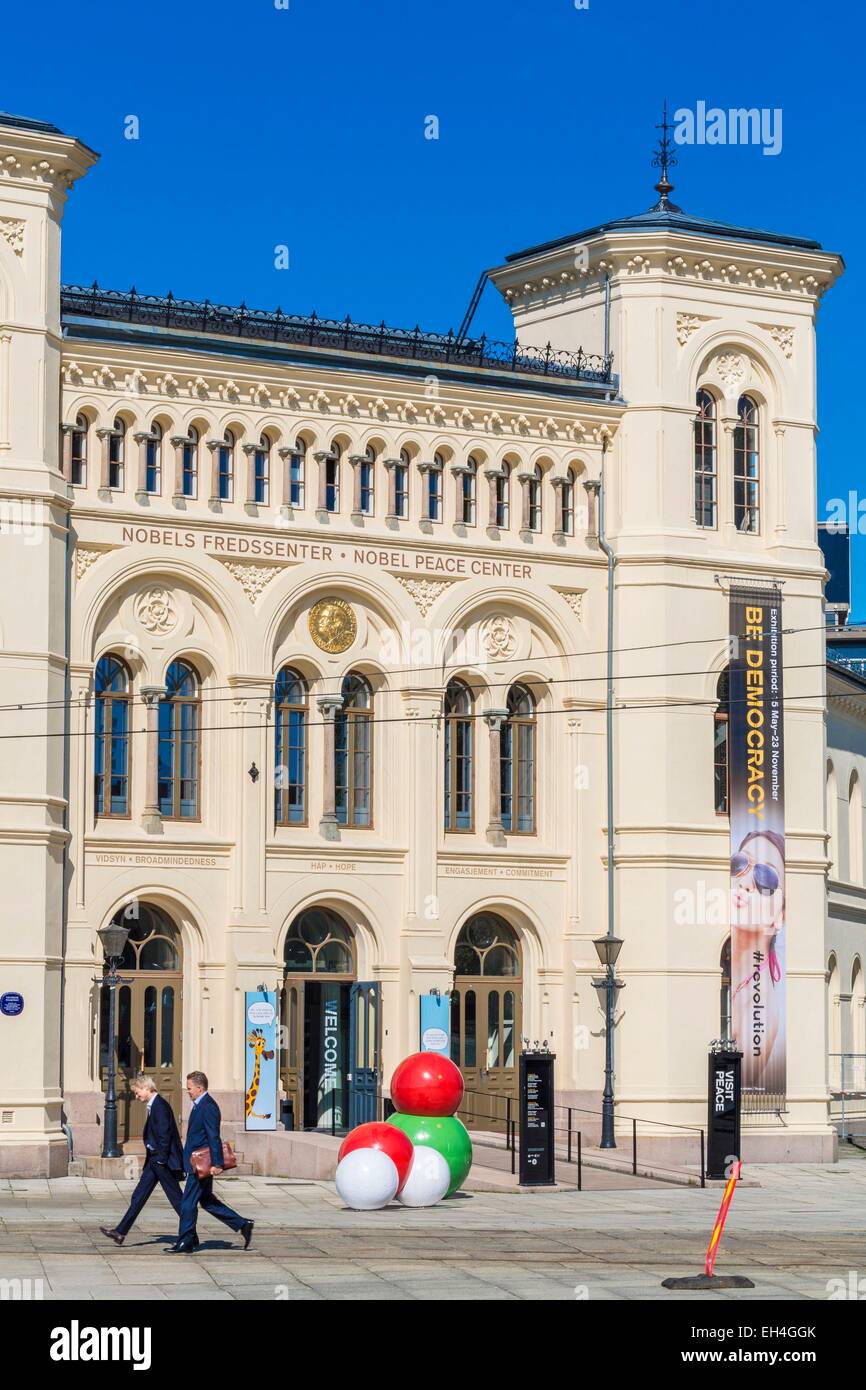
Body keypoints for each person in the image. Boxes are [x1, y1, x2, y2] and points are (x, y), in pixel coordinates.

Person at [168, 1070, 254, 1254]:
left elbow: (213, 1136)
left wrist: (217, 1163)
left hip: (201, 1164)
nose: (187, 1091)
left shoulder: (208, 1107)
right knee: (206, 1201)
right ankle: (243, 1224)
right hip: (196, 1161)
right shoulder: (200, 1104)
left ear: (200, 1088)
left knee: (188, 1202)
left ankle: (185, 1241)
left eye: (189, 1088)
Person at [100, 1076, 192, 1247]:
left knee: (176, 1199)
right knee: (139, 1195)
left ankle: (191, 1235)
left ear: (146, 1088)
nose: (136, 1097)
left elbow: (165, 1135)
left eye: (137, 1093)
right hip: (154, 1160)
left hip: (161, 1161)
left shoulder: (160, 1106)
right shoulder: (154, 1106)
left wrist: (161, 1160)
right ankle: (120, 1232)